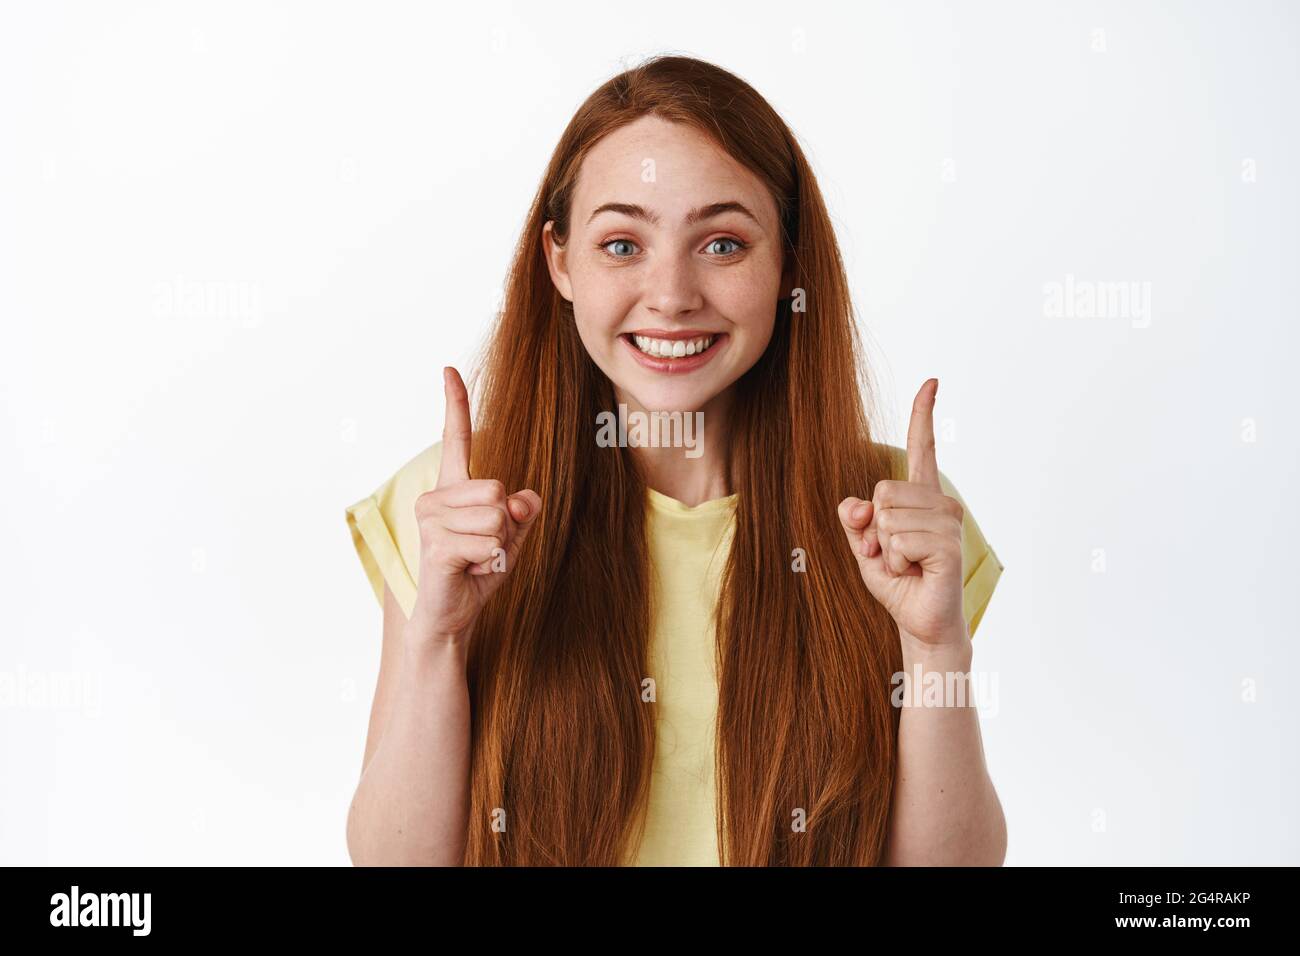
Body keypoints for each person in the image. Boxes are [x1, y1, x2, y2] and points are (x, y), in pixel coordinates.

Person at [343, 54, 1006, 866]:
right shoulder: (453, 507)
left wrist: (937, 648)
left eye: (722, 244)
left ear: (789, 264)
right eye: (622, 244)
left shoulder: (898, 520)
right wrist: (437, 640)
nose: (670, 295)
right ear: (560, 263)